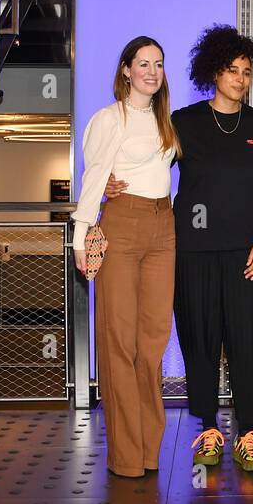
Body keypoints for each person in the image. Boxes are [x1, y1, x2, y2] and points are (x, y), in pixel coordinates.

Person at [108, 24, 253, 473]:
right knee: (199, 344)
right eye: (230, 70)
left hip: (246, 257)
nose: (240, 79)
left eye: (246, 71)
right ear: (212, 73)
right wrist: (109, 180)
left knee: (246, 345)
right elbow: (144, 160)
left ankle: (248, 433)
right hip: (191, 252)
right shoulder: (182, 122)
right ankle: (207, 429)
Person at [73, 36, 180, 478]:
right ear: (125, 70)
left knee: (152, 343)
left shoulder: (164, 120)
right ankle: (125, 456)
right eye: (143, 64)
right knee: (119, 342)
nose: (151, 71)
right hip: (121, 224)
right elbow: (95, 178)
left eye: (158, 63)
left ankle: (149, 451)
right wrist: (81, 237)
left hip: (163, 225)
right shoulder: (107, 118)